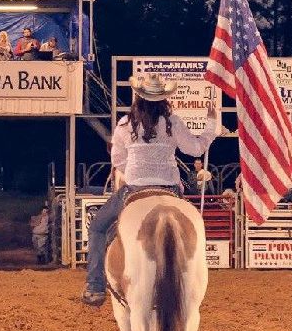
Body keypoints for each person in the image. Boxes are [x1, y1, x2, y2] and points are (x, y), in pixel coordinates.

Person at [83, 73, 218, 306]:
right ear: (164, 99)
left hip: (135, 188)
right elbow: (195, 149)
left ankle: (95, 286)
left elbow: (118, 160)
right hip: (170, 189)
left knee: (97, 228)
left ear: (138, 97)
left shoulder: (125, 124)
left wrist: (135, 171)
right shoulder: (173, 122)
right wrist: (211, 126)